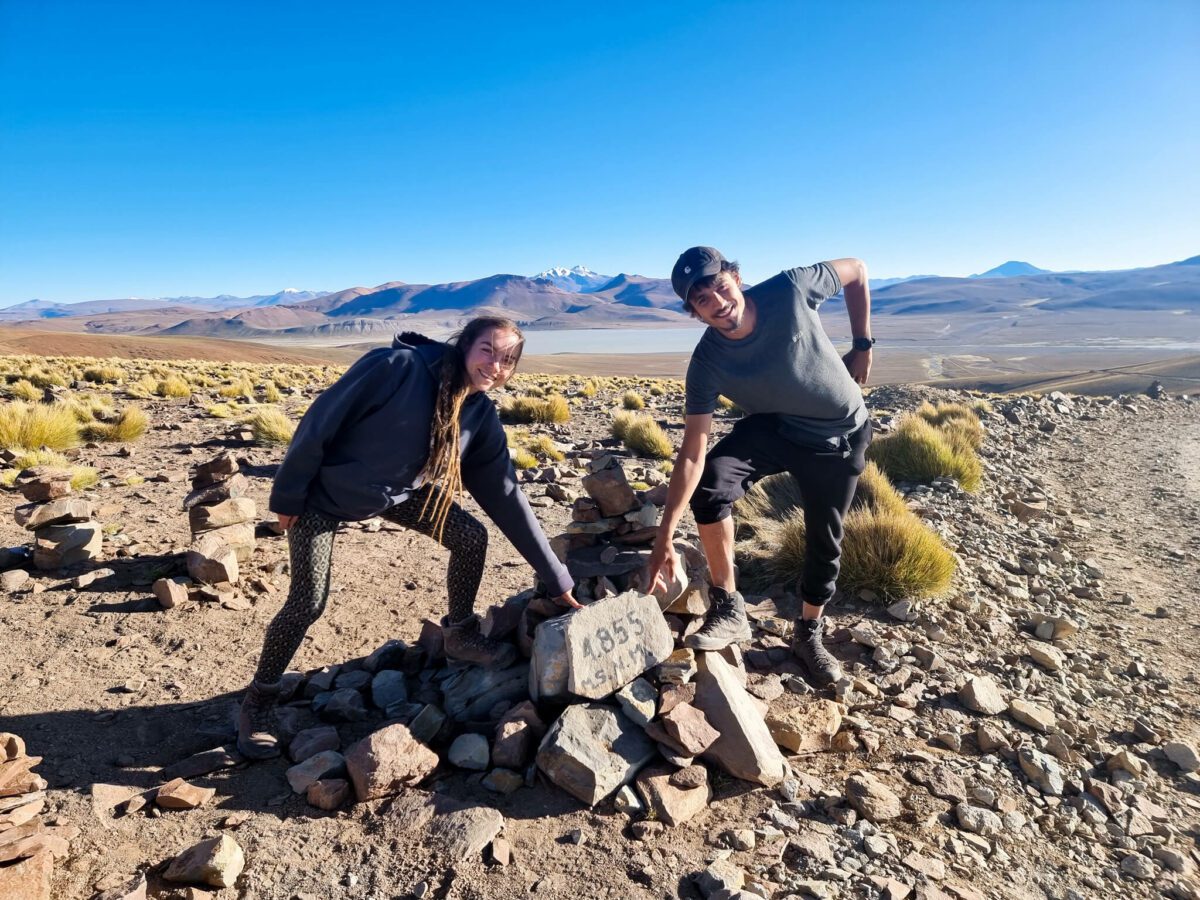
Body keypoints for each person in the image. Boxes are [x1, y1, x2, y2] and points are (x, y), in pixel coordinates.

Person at [237, 317, 579, 759]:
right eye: (488, 351)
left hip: (393, 495)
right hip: (322, 497)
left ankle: (460, 633)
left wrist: (556, 576)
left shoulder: (478, 415)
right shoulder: (397, 367)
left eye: (508, 359)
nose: (496, 366)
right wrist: (288, 495)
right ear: (463, 346)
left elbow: (507, 496)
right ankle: (259, 700)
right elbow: (318, 423)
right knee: (308, 601)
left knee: (470, 536)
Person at [646, 247, 874, 687]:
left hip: (838, 436)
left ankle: (808, 633)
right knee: (711, 482)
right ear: (694, 311)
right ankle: (729, 607)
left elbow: (857, 270)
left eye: (719, 285)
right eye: (702, 299)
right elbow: (693, 451)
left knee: (824, 538)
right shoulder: (707, 363)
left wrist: (862, 344)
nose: (717, 300)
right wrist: (665, 534)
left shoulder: (790, 289)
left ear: (735, 276)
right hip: (777, 427)